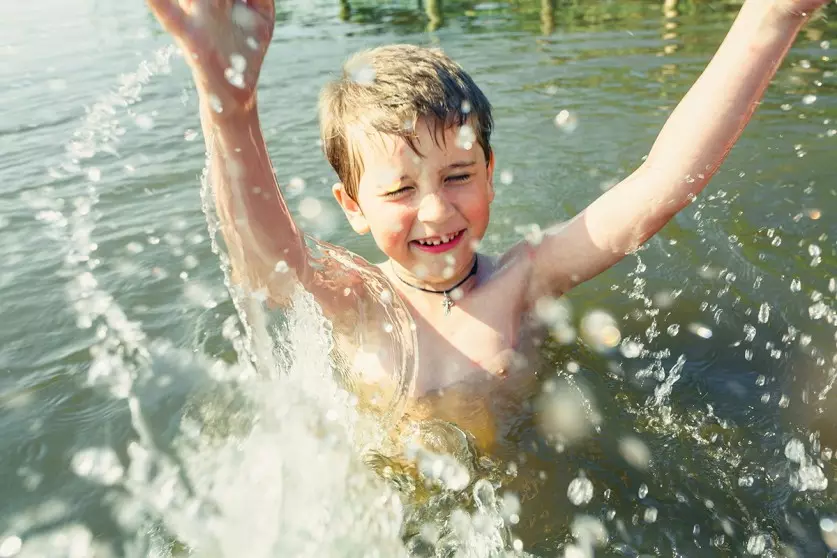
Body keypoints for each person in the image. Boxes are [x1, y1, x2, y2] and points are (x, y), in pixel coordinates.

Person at [145, 0, 830, 439]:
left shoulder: (524, 281)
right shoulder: (358, 297)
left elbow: (654, 190)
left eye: (458, 176)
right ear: (351, 208)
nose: (436, 209)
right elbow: (267, 267)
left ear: (491, 175)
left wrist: (770, 16)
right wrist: (229, 106)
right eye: (399, 192)